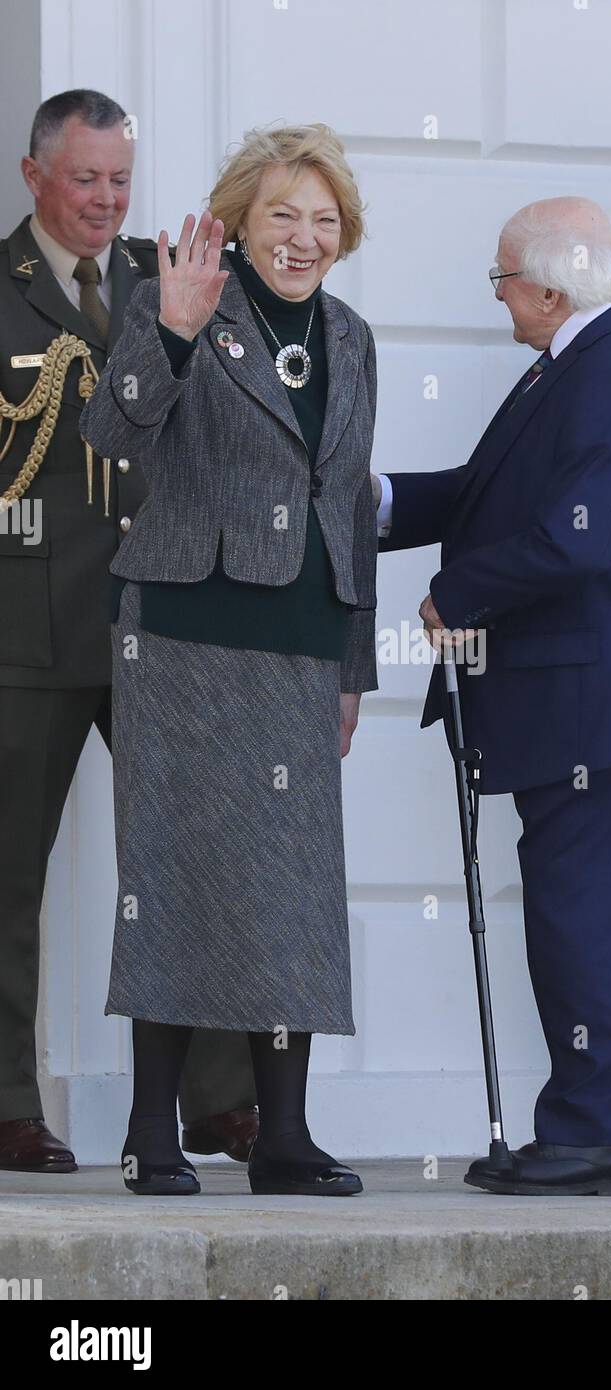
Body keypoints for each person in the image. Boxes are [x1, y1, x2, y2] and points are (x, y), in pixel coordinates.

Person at [373, 196, 611, 1196]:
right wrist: (367, 501)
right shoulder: (587, 360)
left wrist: (454, 593)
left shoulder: (610, 366)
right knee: (574, 914)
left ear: (552, 288)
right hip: (584, 699)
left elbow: (577, 538)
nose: (498, 294)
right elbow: (491, 491)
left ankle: (595, 1128)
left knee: (573, 918)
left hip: (594, 704)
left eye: (503, 278)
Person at [81, 123, 378, 1197]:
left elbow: (348, 502)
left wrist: (353, 666)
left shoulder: (349, 336)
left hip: (301, 647)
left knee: (291, 892)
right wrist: (168, 330)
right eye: (280, 217)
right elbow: (110, 436)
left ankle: (285, 1137)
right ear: (238, 226)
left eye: (322, 219)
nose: (302, 238)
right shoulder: (189, 311)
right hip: (186, 639)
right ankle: (151, 1136)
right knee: (171, 879)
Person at [0, 88, 257, 1176]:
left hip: (164, 614)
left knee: (195, 855)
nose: (106, 201)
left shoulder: (172, 276)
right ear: (33, 176)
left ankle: (219, 1099)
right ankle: (10, 1103)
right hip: (27, 623)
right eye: (83, 180)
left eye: (119, 180)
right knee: (10, 871)